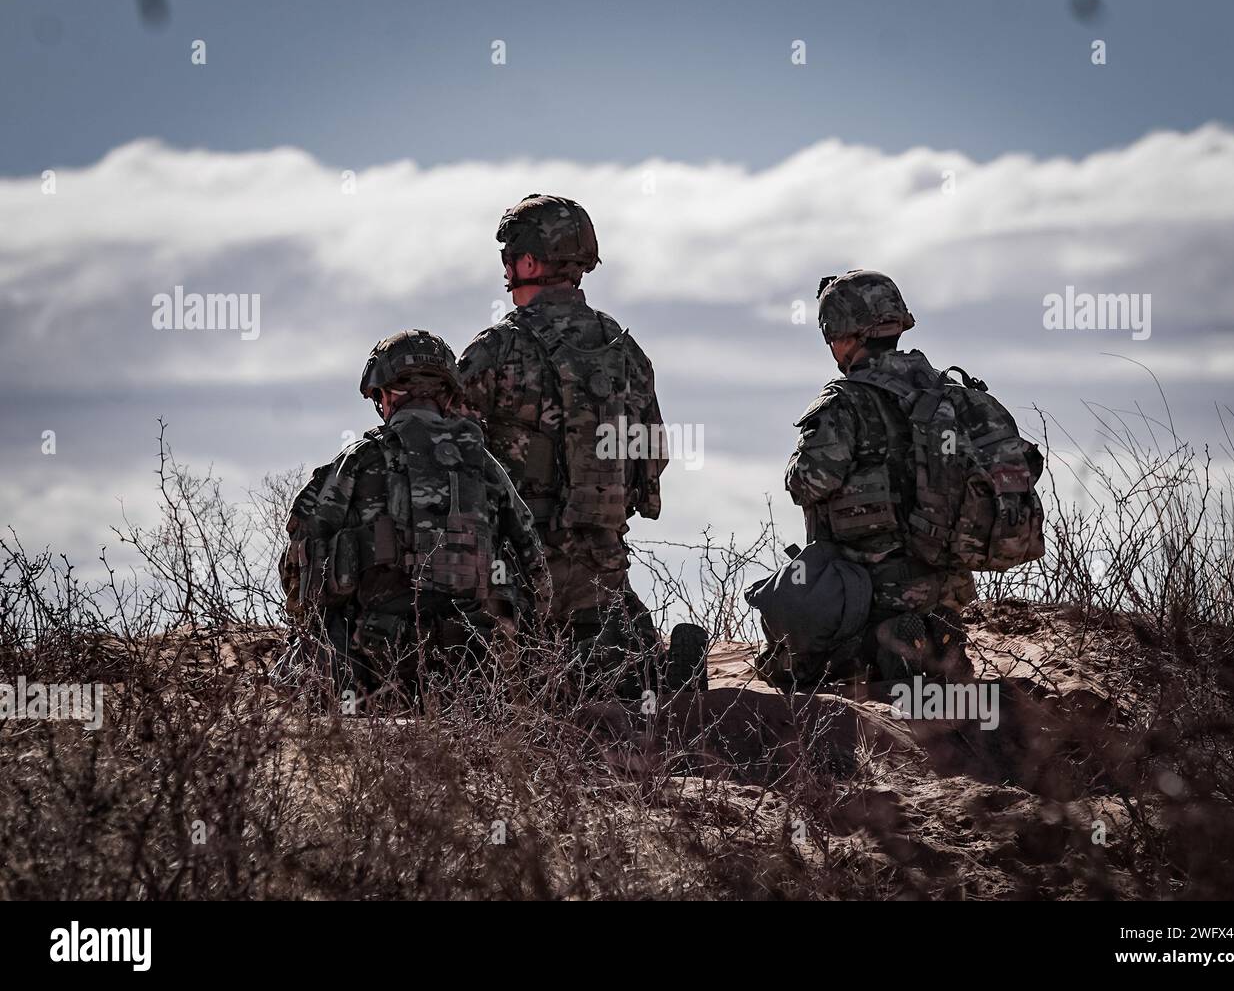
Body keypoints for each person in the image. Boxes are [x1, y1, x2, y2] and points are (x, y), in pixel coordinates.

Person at [458, 194, 699, 699]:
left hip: (519, 573)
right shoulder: (623, 349)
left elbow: (451, 458)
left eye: (510, 258)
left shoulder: (496, 349)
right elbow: (653, 454)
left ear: (526, 262)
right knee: (620, 684)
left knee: (498, 686)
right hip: (604, 565)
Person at [756, 271, 1044, 688]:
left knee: (790, 655)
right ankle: (935, 640)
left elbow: (809, 482)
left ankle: (879, 648)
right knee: (934, 643)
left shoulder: (846, 401)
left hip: (866, 586)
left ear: (843, 333)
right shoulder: (950, 395)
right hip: (947, 585)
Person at [278, 329, 548, 697]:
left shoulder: (358, 462)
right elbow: (536, 569)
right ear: (449, 394)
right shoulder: (485, 468)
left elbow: (298, 569)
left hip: (374, 666)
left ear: (385, 395)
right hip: (473, 667)